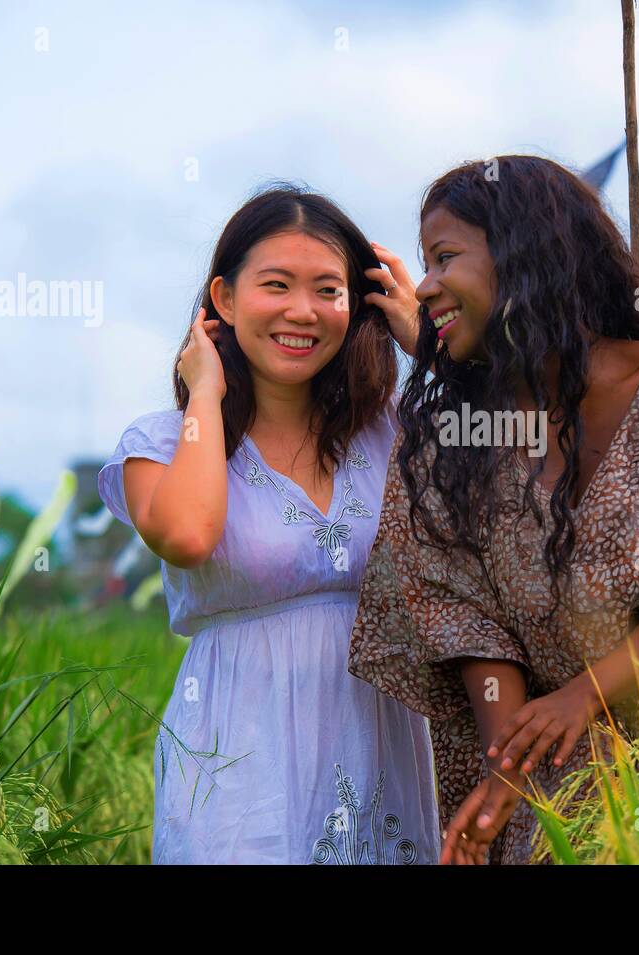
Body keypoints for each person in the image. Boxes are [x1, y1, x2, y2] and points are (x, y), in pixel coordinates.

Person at [347, 155, 639, 864]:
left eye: (445, 257)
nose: (424, 286)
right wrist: (509, 770)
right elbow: (463, 621)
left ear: (523, 252)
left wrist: (583, 697)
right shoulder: (449, 438)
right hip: (544, 793)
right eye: (423, 262)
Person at [97, 184, 440, 864]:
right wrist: (205, 391)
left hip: (387, 743)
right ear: (223, 299)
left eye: (327, 290)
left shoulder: (393, 427)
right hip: (241, 756)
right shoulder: (162, 443)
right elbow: (190, 536)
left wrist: (427, 346)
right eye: (276, 285)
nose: (302, 311)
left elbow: (514, 486)